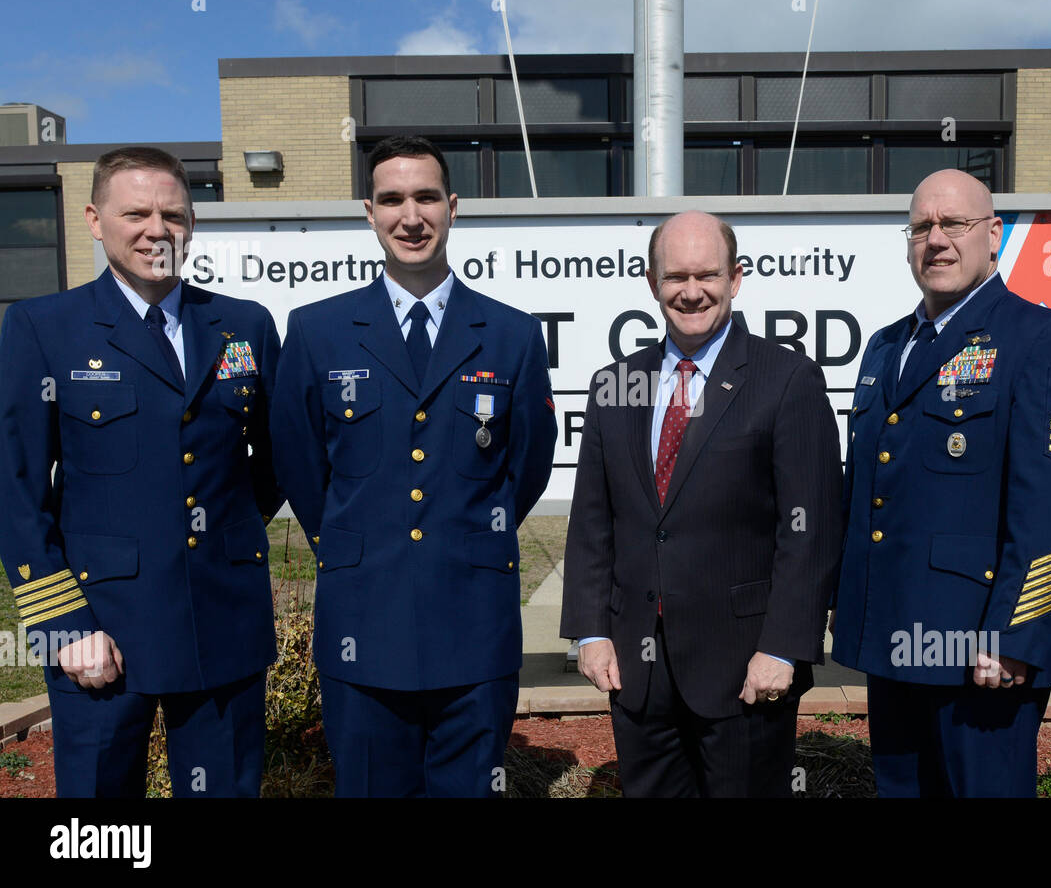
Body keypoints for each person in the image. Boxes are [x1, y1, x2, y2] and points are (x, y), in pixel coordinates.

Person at [270, 135, 556, 798]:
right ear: (368, 213)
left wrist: (468, 535)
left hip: (473, 620)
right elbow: (300, 463)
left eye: (427, 197)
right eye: (392, 199)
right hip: (363, 620)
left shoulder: (511, 335)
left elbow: (527, 464)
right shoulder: (318, 331)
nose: (411, 215)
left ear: (453, 207)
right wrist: (355, 542)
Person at [0, 147, 282, 797]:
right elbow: (16, 490)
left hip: (223, 618)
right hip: (102, 624)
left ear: (192, 224)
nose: (157, 229)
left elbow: (276, 462)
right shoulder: (45, 327)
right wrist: (62, 625)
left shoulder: (244, 325)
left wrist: (228, 538)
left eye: (173, 214)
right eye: (136, 213)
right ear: (96, 220)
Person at [832, 169, 1051, 797]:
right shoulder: (884, 347)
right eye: (921, 226)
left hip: (979, 654)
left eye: (954, 223)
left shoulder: (1045, 338)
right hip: (894, 641)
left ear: (994, 236)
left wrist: (1017, 634)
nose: (937, 239)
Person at [560, 210, 842, 798]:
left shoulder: (787, 379)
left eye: (708, 275)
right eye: (675, 277)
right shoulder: (614, 382)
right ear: (651, 282)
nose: (692, 292)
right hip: (637, 670)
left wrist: (784, 648)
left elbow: (810, 531)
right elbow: (593, 519)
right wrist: (590, 632)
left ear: (736, 278)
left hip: (744, 669)